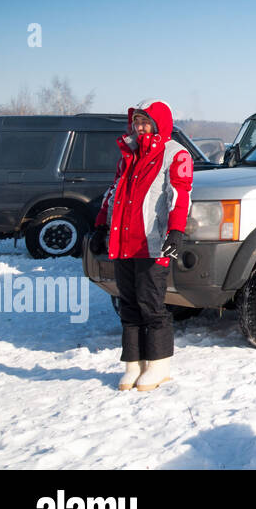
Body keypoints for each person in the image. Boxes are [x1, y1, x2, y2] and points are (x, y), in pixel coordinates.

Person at [90, 101, 193, 391]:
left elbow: (180, 195)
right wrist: (101, 224)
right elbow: (113, 192)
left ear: (158, 123)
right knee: (128, 304)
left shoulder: (175, 153)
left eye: (145, 121)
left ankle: (159, 366)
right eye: (136, 121)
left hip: (152, 243)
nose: (140, 127)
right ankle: (133, 365)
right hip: (124, 241)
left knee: (151, 305)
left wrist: (176, 231)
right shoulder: (129, 154)